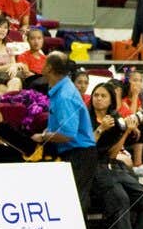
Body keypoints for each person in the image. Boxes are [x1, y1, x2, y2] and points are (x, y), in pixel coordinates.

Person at [87, 83, 143, 229]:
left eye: (103, 96)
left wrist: (126, 131)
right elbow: (86, 148)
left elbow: (113, 153)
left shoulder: (116, 119)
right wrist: (100, 129)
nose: (98, 99)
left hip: (112, 164)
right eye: (96, 95)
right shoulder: (86, 118)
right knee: (120, 199)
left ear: (111, 100)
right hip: (92, 167)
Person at [36, 50, 102, 209]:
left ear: (49, 68)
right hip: (76, 152)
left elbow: (67, 134)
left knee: (75, 201)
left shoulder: (64, 95)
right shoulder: (63, 88)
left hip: (80, 153)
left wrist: (43, 137)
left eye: (45, 62)